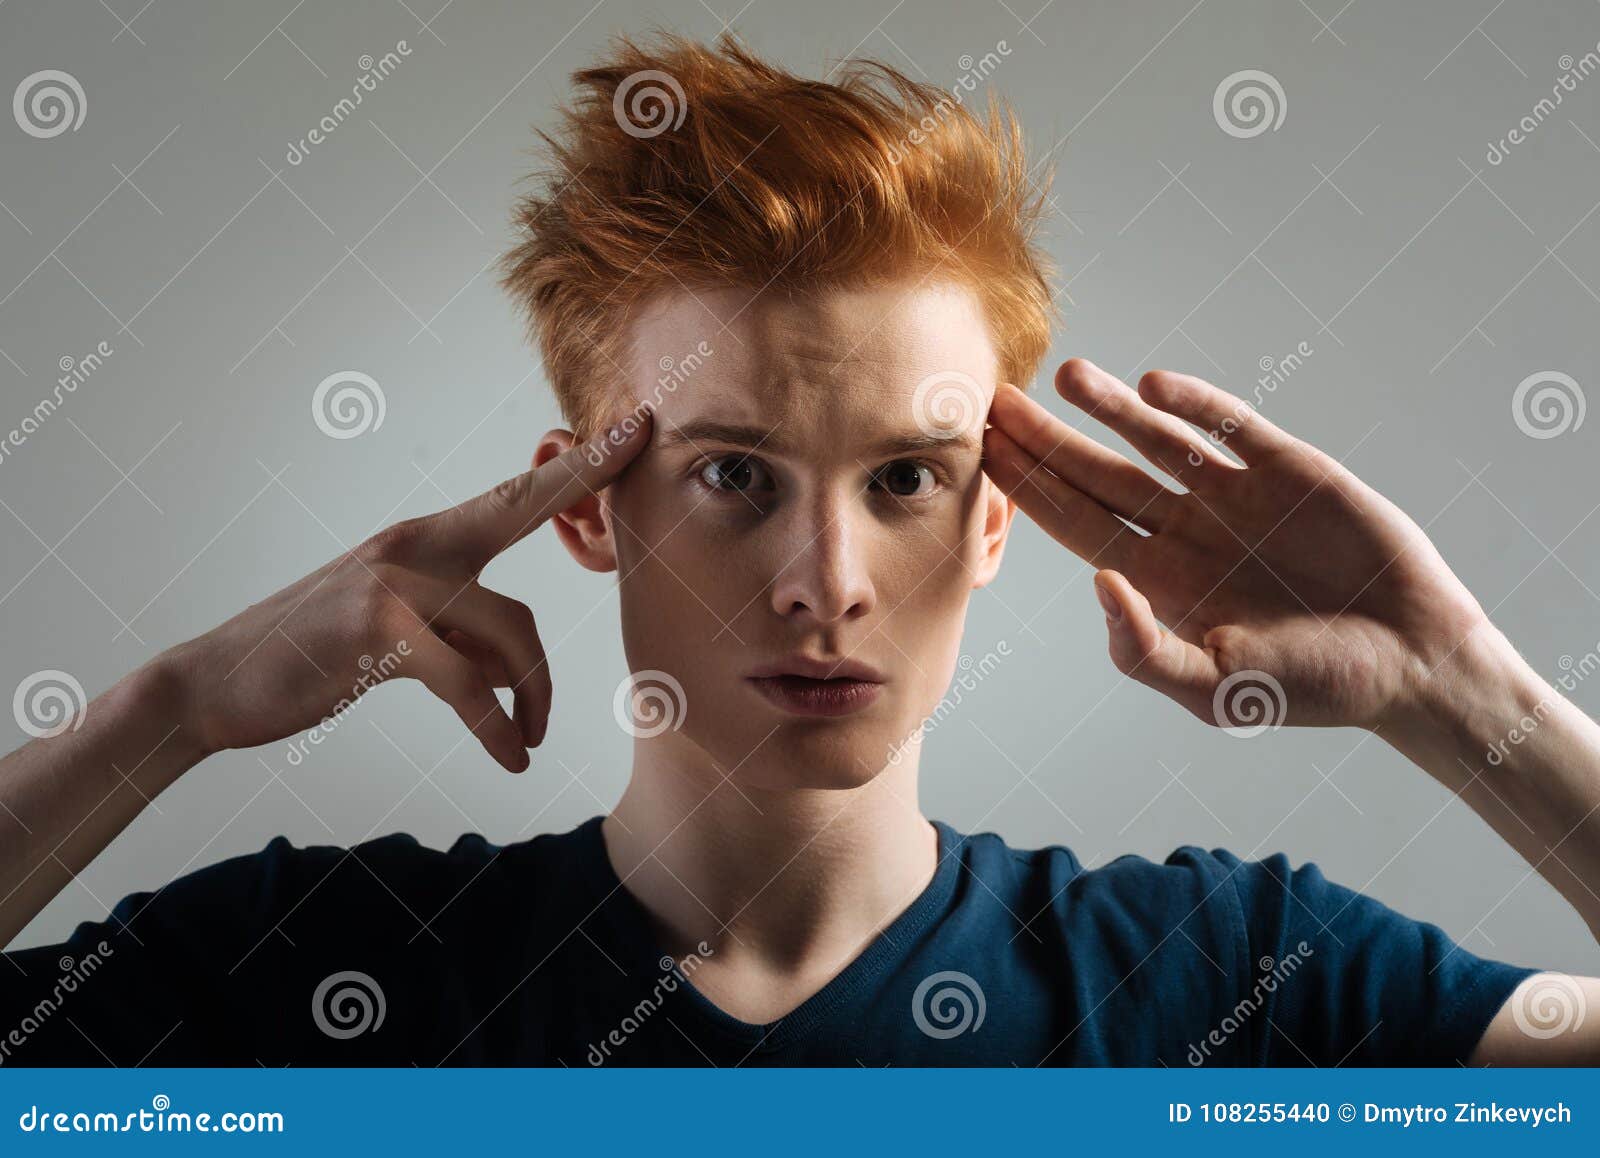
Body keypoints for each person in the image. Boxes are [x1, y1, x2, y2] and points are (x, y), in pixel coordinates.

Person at [1, 34, 1596, 1068]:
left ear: (993, 518)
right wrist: (168, 710)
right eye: (733, 475)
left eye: (905, 476)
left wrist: (1466, 694)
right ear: (585, 507)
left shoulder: (1225, 978)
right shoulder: (334, 974)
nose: (825, 579)